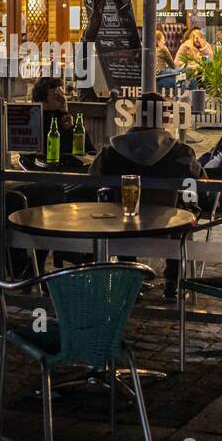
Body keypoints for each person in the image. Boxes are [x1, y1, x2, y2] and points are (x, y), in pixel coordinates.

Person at [89, 92, 202, 299]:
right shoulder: (181, 153)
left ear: (134, 115)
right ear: (165, 118)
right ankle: (172, 283)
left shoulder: (111, 152)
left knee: (121, 212)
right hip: (168, 228)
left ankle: (129, 278)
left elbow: (92, 180)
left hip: (120, 227)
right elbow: (197, 181)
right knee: (182, 212)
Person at [31, 77, 77, 158]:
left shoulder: (65, 120)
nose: (64, 100)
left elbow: (90, 151)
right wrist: (69, 130)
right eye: (57, 97)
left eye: (63, 95)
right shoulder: (41, 126)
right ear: (43, 103)